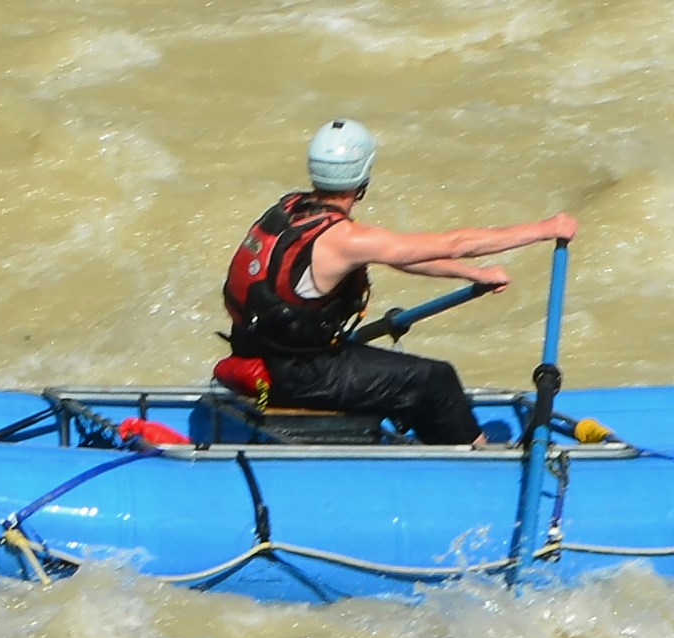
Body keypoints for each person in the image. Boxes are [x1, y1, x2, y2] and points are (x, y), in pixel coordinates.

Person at [217, 118, 577, 445]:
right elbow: (456, 244)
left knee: (402, 375)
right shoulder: (344, 238)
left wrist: (472, 274)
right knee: (434, 379)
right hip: (300, 373)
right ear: (363, 175)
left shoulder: (292, 209)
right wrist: (545, 229)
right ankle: (476, 461)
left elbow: (404, 256)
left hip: (259, 352)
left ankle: (429, 439)